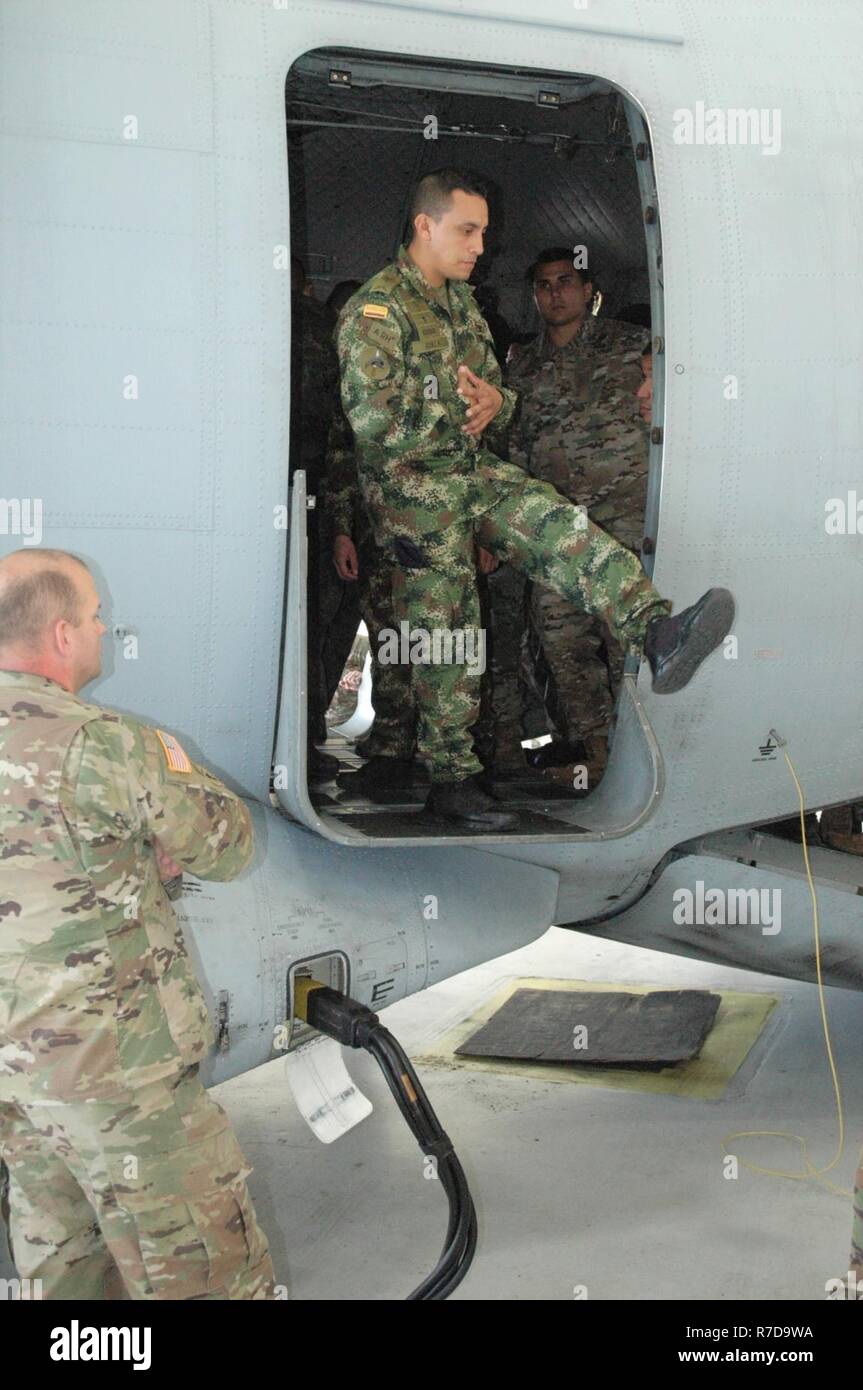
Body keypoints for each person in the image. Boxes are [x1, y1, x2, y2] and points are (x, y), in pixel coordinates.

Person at [336, 168, 735, 831]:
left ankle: (656, 631)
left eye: (484, 233)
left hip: (467, 471)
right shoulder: (376, 311)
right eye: (467, 231)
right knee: (449, 632)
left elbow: (494, 388)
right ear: (424, 227)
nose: (479, 247)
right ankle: (450, 776)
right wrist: (460, 416)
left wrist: (498, 402)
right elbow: (373, 422)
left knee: (560, 526)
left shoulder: (458, 304)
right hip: (412, 492)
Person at [0, 548, 274, 1299]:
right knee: (207, 1277)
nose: (102, 630)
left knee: (67, 1282)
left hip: (18, 1092)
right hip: (124, 1085)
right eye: (94, 618)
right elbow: (227, 847)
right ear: (61, 635)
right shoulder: (109, 743)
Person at [505, 250, 652, 783]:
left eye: (566, 282)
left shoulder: (631, 344)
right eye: (543, 285)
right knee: (561, 640)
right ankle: (600, 755)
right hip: (558, 528)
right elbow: (516, 446)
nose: (555, 294)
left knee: (624, 645)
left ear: (589, 289)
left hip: (625, 520)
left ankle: (640, 757)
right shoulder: (521, 364)